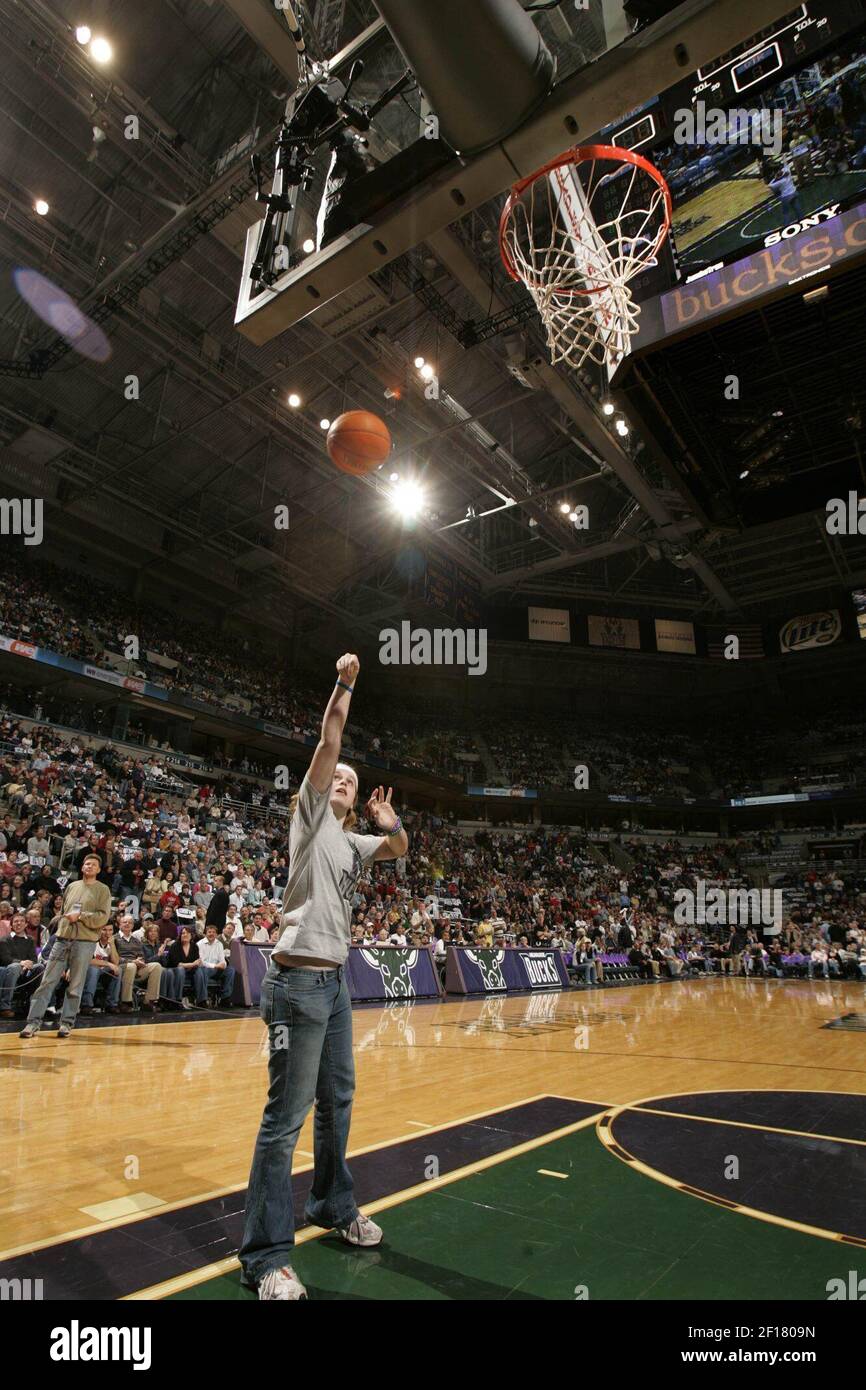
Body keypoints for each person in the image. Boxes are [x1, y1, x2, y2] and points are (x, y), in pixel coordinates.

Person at [239, 653, 409, 1301]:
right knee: (285, 1119)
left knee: (338, 1101)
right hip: (296, 987)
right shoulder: (310, 820)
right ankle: (264, 1256)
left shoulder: (354, 841)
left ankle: (332, 1205)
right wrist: (343, 684)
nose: (340, 777)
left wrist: (392, 826)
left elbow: (396, 850)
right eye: (334, 775)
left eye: (349, 780)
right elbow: (330, 738)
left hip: (335, 989)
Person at [19, 854, 112, 1039]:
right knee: (47, 981)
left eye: (93, 864)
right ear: (82, 867)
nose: (89, 866)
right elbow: (62, 912)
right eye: (87, 863)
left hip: (84, 942)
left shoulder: (103, 890)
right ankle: (32, 1022)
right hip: (62, 940)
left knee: (75, 984)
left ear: (99, 869)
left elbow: (103, 917)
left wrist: (82, 916)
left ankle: (67, 1023)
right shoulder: (72, 886)